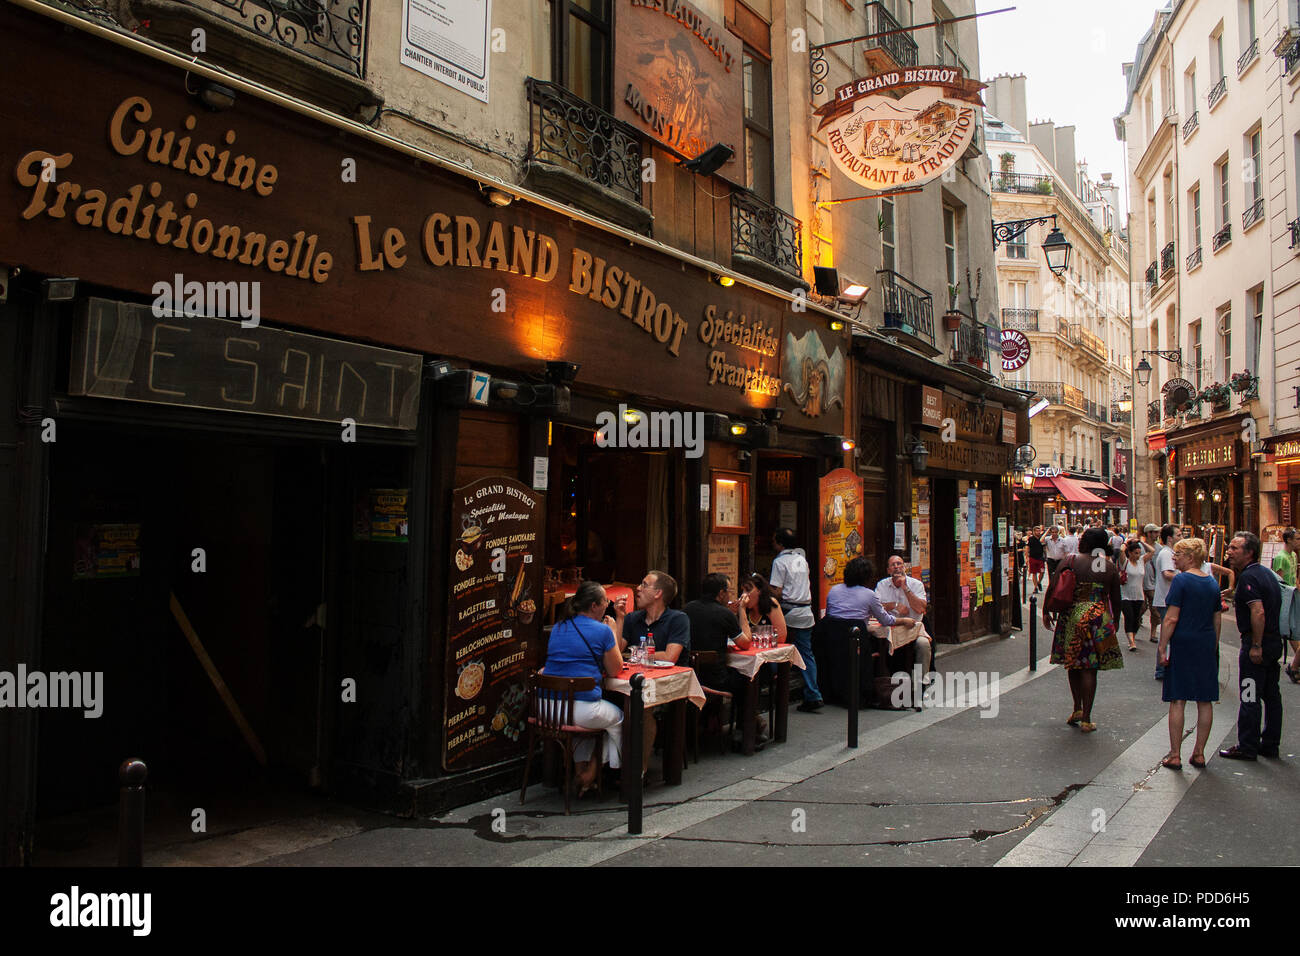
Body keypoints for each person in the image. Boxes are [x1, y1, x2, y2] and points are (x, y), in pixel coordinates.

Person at [540, 581, 625, 794]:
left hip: (547, 709)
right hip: (580, 708)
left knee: (584, 730)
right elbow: (615, 670)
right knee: (621, 719)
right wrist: (613, 631)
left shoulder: (559, 626)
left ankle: (581, 773)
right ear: (595, 605)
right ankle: (600, 772)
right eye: (605, 600)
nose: (608, 604)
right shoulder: (603, 631)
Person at [1044, 526, 1124, 732]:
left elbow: (1053, 587)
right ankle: (1087, 717)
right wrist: (1116, 622)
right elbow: (1116, 598)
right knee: (1091, 668)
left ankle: (1077, 708)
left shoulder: (1070, 560)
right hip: (1098, 617)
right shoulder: (1106, 566)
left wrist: (1046, 611)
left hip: (1072, 616)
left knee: (1074, 664)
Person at [613, 570, 690, 773]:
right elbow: (616, 652)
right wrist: (619, 619)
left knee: (642, 708)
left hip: (668, 686)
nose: (637, 589)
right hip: (634, 681)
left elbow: (671, 656)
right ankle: (612, 765)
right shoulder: (632, 619)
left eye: (644, 585)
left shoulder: (678, 619)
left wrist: (635, 653)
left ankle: (639, 770)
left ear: (658, 593)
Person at [1156, 539, 1221, 770]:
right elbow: (1216, 618)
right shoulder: (1212, 583)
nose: (1174, 558)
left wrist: (1162, 646)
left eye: (1178, 554)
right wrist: (1213, 645)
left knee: (1178, 698)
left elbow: (1171, 617)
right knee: (1205, 700)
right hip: (1204, 642)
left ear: (1190, 557)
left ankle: (1175, 754)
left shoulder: (1182, 580)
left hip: (1183, 642)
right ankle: (1200, 753)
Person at [1220, 532, 1284, 760]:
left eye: (1235, 548)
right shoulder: (1265, 574)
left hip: (1257, 643)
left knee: (1249, 694)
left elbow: (1258, 610)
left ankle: (1247, 745)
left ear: (1249, 552)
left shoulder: (1248, 577)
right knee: (1271, 694)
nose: (1229, 552)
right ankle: (1270, 743)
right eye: (1229, 547)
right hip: (1274, 642)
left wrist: (1255, 645)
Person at [683, 573, 766, 740]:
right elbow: (746, 642)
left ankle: (714, 721)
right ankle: (747, 729)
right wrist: (742, 610)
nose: (730, 595)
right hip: (715, 680)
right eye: (728, 591)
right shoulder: (723, 614)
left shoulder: (687, 609)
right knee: (748, 678)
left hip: (690, 675)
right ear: (721, 593)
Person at [770, 528, 822, 713]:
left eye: (774, 540)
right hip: (806, 611)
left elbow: (776, 591)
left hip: (788, 611)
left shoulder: (780, 562)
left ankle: (776, 686)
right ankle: (813, 694)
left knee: (775, 648)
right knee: (806, 653)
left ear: (780, 543)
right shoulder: (801, 559)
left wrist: (763, 585)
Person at [875, 554, 931, 678]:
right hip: (891, 629)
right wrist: (894, 605)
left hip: (913, 629)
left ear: (904, 567)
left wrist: (905, 588)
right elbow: (876, 607)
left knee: (923, 645)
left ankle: (922, 683)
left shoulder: (916, 584)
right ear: (888, 570)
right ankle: (886, 683)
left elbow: (921, 608)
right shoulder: (882, 585)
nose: (896, 567)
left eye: (899, 564)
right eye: (893, 565)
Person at [1151, 524, 1179, 675]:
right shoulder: (1167, 553)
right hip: (1166, 599)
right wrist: (1186, 577)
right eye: (1179, 535)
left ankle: (1164, 667)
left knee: (1167, 634)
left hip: (1166, 599)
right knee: (1167, 635)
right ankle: (1162, 669)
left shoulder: (1169, 552)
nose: (1181, 537)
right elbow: (1167, 574)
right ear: (1170, 538)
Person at [1273, 529, 1299, 673]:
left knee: (1294, 628)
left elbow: (1295, 575)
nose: (1299, 542)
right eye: (1297, 539)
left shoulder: (1294, 555)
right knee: (1291, 629)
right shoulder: (1281, 557)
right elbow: (1279, 581)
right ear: (1289, 540)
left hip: (1294, 594)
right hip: (1286, 597)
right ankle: (1296, 664)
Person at [740, 572, 787, 643]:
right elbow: (742, 639)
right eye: (742, 591)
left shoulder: (770, 604)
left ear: (759, 590)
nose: (744, 594)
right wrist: (740, 610)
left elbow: (781, 638)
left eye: (748, 590)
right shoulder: (742, 608)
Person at [1119, 538, 1148, 652]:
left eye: (1139, 553)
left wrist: (1142, 542)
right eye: (1135, 553)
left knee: (1136, 619)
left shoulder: (1141, 561)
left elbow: (1152, 552)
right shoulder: (1125, 562)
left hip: (1139, 595)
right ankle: (1131, 642)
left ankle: (1133, 638)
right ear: (1130, 553)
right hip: (1125, 595)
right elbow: (1121, 551)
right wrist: (1126, 542)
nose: (1138, 555)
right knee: (1129, 617)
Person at [1140, 523, 1160, 637]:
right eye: (1155, 532)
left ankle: (1153, 633)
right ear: (1148, 533)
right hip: (1141, 582)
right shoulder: (1140, 546)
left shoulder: (1159, 548)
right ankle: (1137, 622)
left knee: (1155, 610)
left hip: (1153, 583)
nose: (1157, 534)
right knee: (1141, 608)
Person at [1027, 526, 1047, 592]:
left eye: (1039, 531)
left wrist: (1045, 556)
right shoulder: (1031, 539)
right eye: (1037, 531)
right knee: (1034, 573)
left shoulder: (1042, 538)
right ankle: (1035, 587)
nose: (1038, 532)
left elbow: (1044, 548)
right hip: (1032, 557)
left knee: (1042, 571)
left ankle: (1039, 582)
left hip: (1040, 558)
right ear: (1034, 531)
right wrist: (1027, 556)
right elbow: (1028, 547)